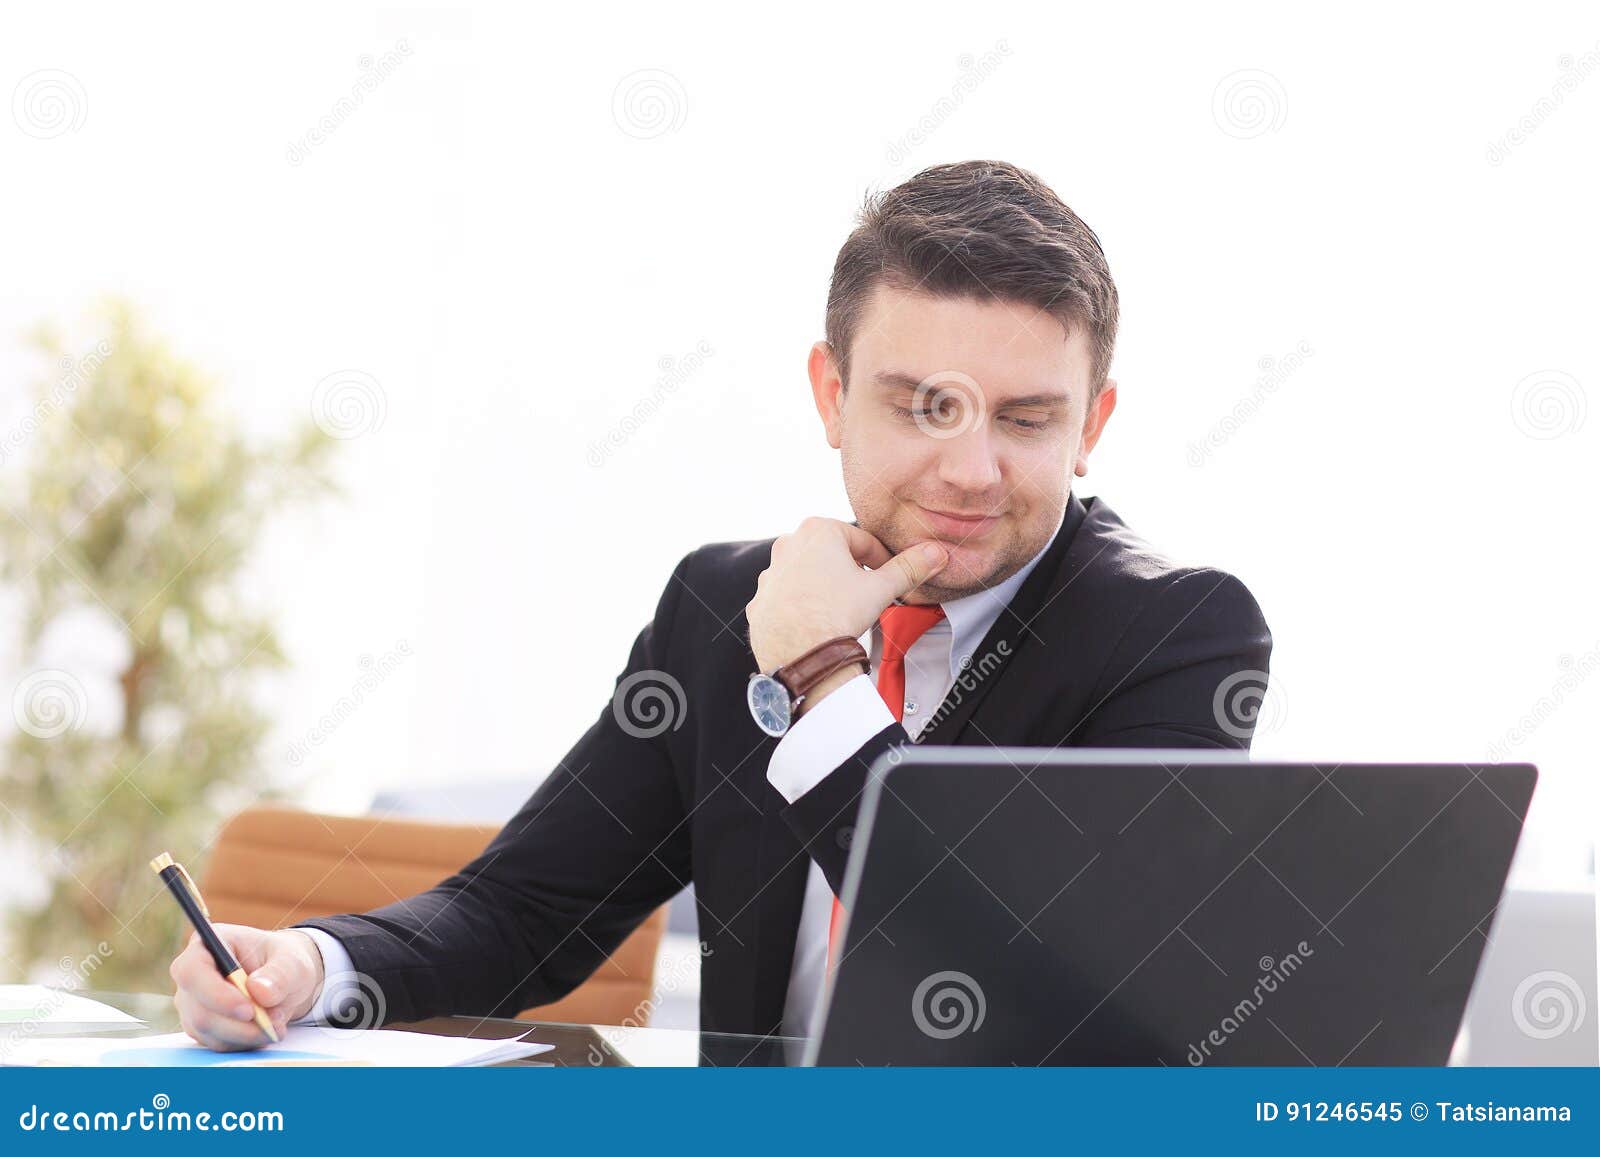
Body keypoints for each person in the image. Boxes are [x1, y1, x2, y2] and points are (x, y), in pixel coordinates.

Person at [169, 159, 1273, 1050]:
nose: (971, 468)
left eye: (1027, 419)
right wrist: (314, 962)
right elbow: (526, 908)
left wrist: (820, 677)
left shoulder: (1175, 636)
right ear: (831, 395)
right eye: (924, 406)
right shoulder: (717, 604)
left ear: (1092, 426)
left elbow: (1034, 995)